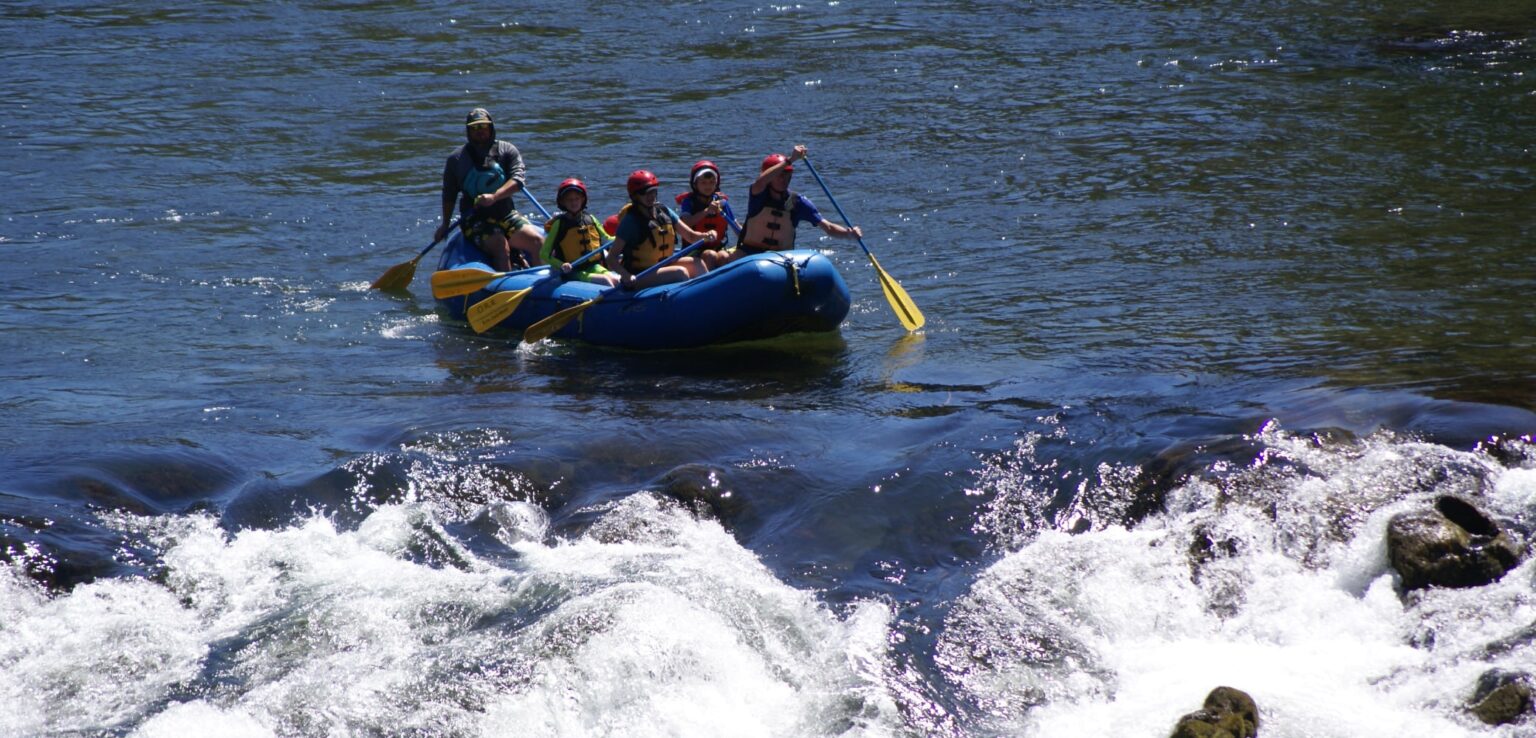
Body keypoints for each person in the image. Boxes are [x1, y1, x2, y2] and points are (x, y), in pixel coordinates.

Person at [433, 108, 543, 272]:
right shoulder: (455, 159)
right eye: (475, 128)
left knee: (537, 241)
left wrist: (494, 196)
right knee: (500, 245)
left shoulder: (507, 150)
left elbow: (518, 181)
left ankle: (542, 285)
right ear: (468, 131)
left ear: (491, 127)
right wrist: (445, 224)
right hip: (474, 218)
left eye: (483, 126)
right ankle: (505, 286)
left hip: (506, 214)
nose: (480, 131)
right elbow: (449, 194)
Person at [730, 144, 862, 263]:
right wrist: (790, 160)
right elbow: (760, 182)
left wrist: (848, 234)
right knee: (719, 257)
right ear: (770, 176)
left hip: (779, 259)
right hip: (748, 253)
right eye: (780, 175)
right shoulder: (758, 195)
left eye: (787, 175)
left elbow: (827, 227)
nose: (784, 179)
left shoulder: (798, 202)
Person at [605, 170, 718, 290]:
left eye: (653, 191)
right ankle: (686, 303)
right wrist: (626, 275)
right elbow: (611, 258)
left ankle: (708, 294)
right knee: (679, 272)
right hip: (639, 274)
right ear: (635, 196)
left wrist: (706, 235)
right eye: (645, 193)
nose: (651, 196)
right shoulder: (631, 221)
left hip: (664, 266)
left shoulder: (665, 211)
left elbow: (691, 236)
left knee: (697, 263)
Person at [540, 178, 620, 287]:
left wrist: (623, 237)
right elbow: (544, 254)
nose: (574, 202)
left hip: (593, 266)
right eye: (569, 199)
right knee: (605, 281)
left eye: (577, 198)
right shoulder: (559, 224)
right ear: (562, 202)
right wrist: (562, 265)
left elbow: (607, 239)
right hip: (572, 272)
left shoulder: (591, 219)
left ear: (583, 199)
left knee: (617, 279)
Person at [674, 159, 738, 269]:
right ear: (695, 184)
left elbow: (736, 227)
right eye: (703, 182)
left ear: (716, 184)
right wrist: (706, 211)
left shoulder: (722, 203)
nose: (708, 186)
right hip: (692, 250)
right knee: (710, 255)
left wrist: (749, 238)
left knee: (723, 256)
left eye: (712, 182)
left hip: (717, 247)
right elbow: (686, 223)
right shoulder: (688, 202)